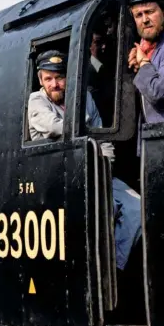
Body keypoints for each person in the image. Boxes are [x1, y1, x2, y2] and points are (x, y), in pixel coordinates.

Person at [28, 50, 141, 272]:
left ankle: (114, 266)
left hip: (95, 172)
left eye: (59, 78)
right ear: (41, 80)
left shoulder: (85, 98)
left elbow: (103, 137)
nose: (55, 84)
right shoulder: (36, 101)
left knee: (136, 207)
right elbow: (55, 127)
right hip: (60, 180)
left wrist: (104, 166)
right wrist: (88, 135)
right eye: (49, 79)